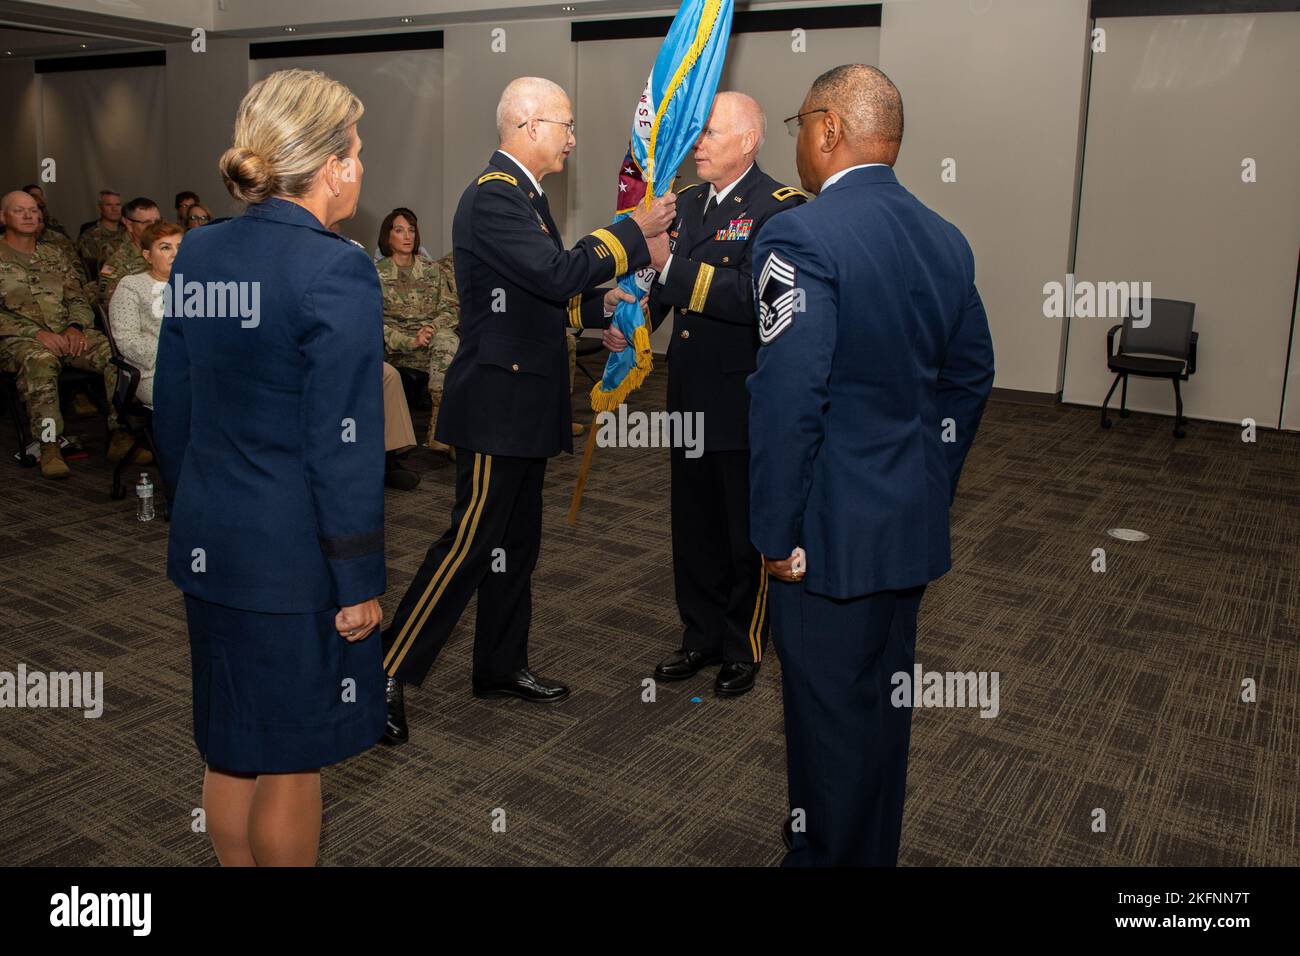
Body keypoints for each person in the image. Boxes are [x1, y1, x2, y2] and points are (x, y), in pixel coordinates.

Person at [379, 75, 675, 744]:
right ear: (527, 126)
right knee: (468, 545)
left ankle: (499, 664)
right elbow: (554, 273)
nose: (573, 138)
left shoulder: (524, 197)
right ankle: (385, 667)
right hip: (494, 405)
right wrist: (633, 229)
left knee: (515, 546)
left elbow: (551, 296)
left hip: (525, 401)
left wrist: (609, 315)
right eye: (565, 125)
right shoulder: (495, 197)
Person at [749, 65, 995, 866]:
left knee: (826, 732)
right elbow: (968, 377)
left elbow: (791, 399)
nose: (796, 141)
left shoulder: (800, 235)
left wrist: (774, 532)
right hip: (902, 528)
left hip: (822, 538)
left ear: (826, 129)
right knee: (883, 717)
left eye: (796, 124)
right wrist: (926, 481)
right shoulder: (945, 237)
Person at [153, 68, 387, 866]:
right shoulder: (337, 269)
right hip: (295, 562)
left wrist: (202, 513)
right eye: (356, 152)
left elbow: (174, 405)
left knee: (230, 745)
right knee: (292, 757)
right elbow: (343, 442)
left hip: (213, 541)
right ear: (329, 166)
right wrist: (357, 580)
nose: (361, 166)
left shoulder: (200, 252)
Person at [616, 91, 808, 699]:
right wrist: (634, 309)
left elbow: (756, 298)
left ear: (748, 141)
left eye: (710, 135)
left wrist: (671, 272)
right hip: (687, 395)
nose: (696, 144)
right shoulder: (688, 203)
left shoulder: (781, 210)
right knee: (693, 522)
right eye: (697, 134)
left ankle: (741, 643)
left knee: (741, 526)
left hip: (744, 400)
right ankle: (697, 635)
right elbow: (665, 291)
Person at [0, 190, 145, 478]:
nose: (29, 215)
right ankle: (49, 445)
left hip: (68, 335)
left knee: (114, 356)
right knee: (40, 360)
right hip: (20, 341)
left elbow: (78, 298)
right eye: (20, 210)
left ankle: (121, 433)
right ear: (3, 217)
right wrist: (36, 333)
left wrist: (75, 327)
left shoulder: (54, 256)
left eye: (33, 210)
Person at [374, 208, 459, 455]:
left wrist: (430, 329)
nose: (407, 236)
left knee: (449, 342)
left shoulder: (431, 270)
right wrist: (410, 341)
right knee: (450, 351)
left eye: (411, 230)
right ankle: (446, 431)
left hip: (431, 344)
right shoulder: (375, 273)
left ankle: (440, 427)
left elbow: (450, 310)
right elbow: (374, 322)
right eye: (399, 230)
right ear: (387, 236)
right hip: (396, 350)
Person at [108, 220, 183, 408]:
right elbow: (127, 340)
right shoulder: (131, 285)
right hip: (154, 371)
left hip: (197, 367)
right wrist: (176, 351)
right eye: (165, 248)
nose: (175, 254)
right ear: (148, 256)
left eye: (180, 247)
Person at [98, 196, 159, 306]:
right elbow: (110, 303)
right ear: (129, 225)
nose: (155, 227)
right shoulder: (117, 263)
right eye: (147, 223)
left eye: (157, 222)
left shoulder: (170, 253)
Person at [75, 190, 127, 272]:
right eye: (108, 205)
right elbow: (91, 268)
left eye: (118, 205)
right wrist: (120, 271)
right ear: (100, 208)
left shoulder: (129, 231)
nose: (114, 209)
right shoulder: (89, 236)